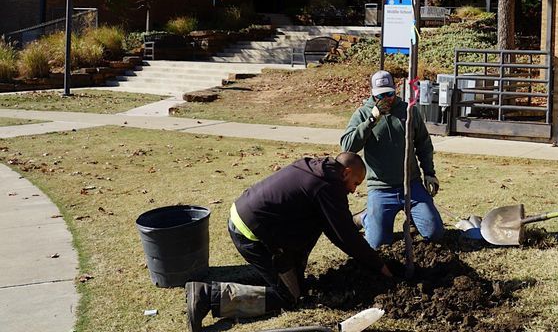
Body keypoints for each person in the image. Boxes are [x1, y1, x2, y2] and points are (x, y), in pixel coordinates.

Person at [185, 152, 392, 332]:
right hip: (252, 233)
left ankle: (280, 276)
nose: (354, 190)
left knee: (292, 277)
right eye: (355, 183)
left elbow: (331, 224)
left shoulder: (318, 169)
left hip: (248, 217)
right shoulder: (327, 187)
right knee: (288, 297)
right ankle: (207, 297)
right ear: (346, 172)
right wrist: (378, 265)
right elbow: (343, 235)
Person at [340, 70, 444, 248]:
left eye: (389, 93)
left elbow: (424, 144)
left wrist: (429, 173)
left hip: (411, 185)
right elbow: (347, 147)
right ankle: (366, 217)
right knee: (377, 243)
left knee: (435, 233)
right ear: (373, 94)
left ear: (395, 90)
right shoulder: (363, 114)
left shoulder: (409, 111)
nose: (386, 99)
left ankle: (413, 217)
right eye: (381, 95)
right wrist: (372, 119)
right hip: (381, 189)